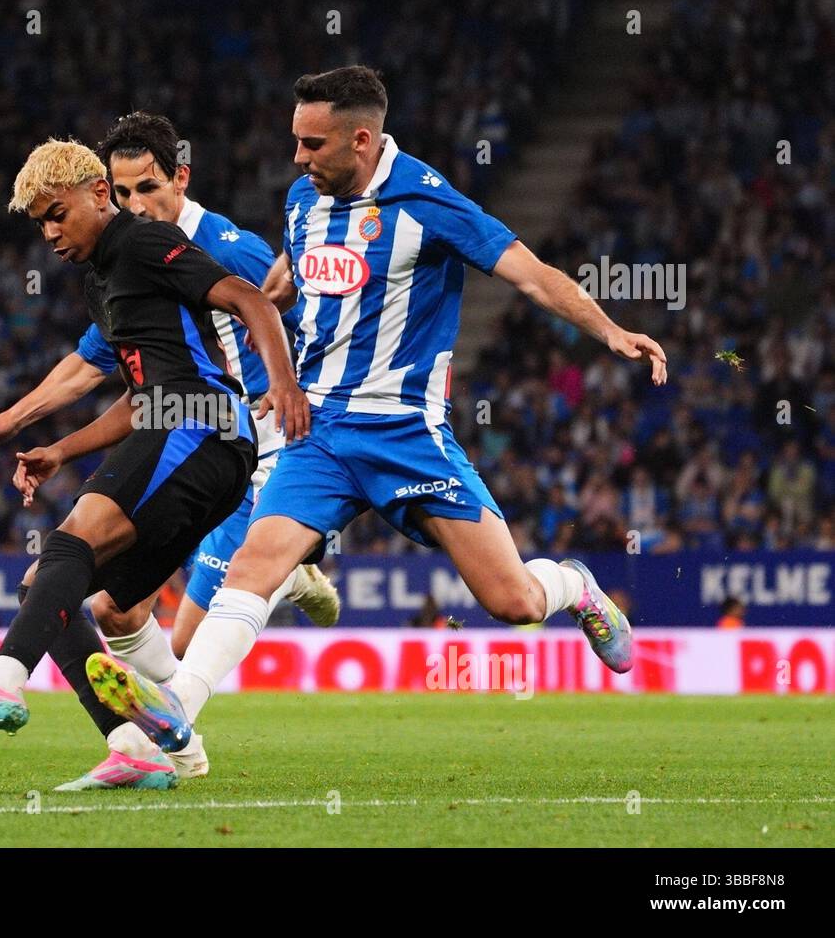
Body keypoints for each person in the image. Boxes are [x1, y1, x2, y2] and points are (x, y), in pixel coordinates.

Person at [86, 66, 668, 755]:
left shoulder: (429, 204)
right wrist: (263, 322)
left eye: (312, 144)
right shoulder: (305, 200)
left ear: (360, 139)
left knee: (512, 601)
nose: (298, 159)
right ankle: (178, 709)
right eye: (296, 142)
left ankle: (575, 585)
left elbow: (533, 275)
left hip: (405, 433)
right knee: (255, 565)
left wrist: (610, 330)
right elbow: (289, 275)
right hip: (320, 433)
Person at [0, 138, 307, 791]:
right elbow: (138, 397)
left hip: (200, 424)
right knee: (49, 588)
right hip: (197, 440)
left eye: (57, 213)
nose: (51, 233)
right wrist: (59, 448)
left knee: (69, 545)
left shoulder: (143, 243)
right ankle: (136, 744)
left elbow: (253, 302)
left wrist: (283, 385)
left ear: (97, 193)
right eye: (38, 224)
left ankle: (1, 684)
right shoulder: (101, 281)